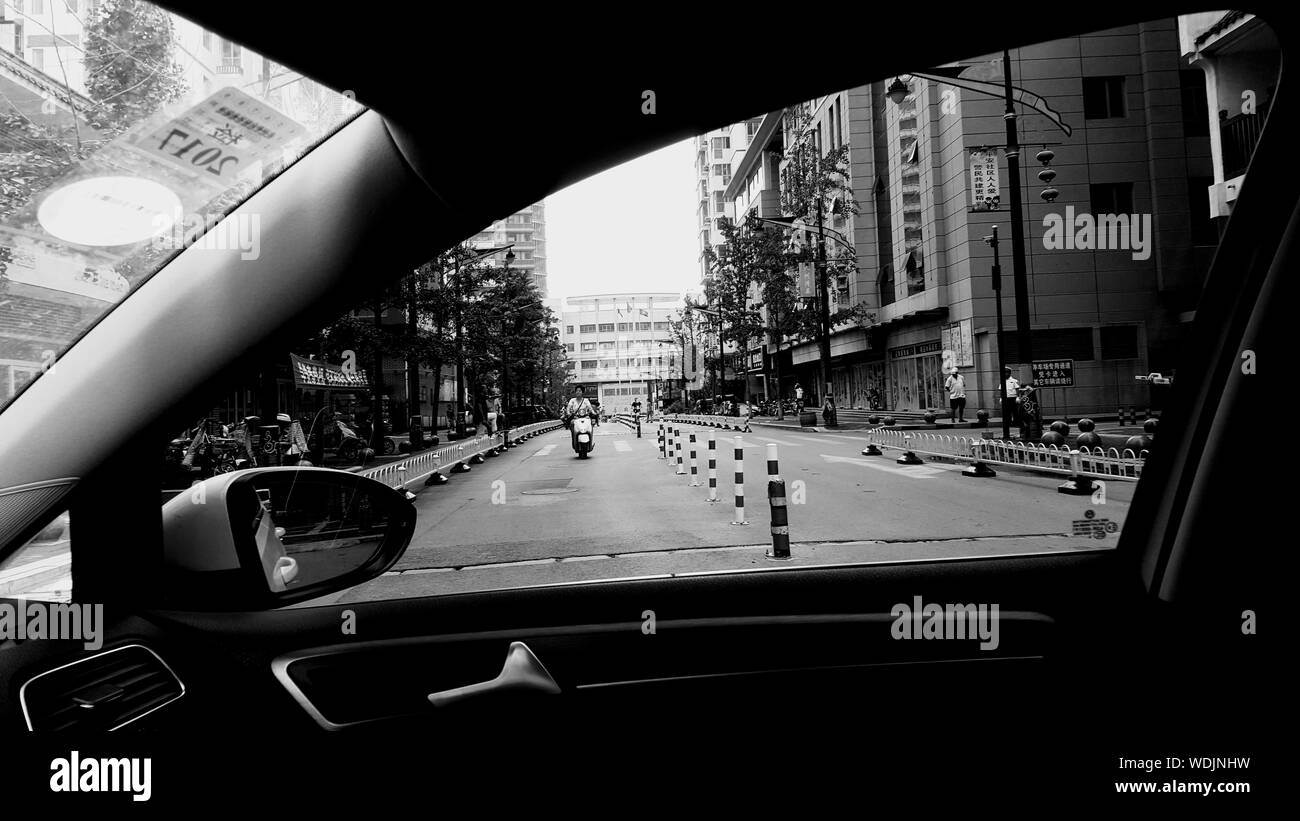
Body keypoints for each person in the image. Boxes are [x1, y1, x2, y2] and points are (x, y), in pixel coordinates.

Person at [563, 385, 596, 451]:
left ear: (582, 392)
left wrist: (593, 412)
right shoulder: (572, 400)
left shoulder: (586, 400)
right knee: (572, 423)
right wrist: (569, 413)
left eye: (580, 391)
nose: (578, 392)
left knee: (591, 424)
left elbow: (590, 408)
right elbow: (568, 408)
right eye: (577, 391)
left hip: (585, 417)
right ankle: (574, 441)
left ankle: (590, 442)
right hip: (575, 418)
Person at [1002, 366, 1020, 431]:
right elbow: (1001, 390)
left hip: (1013, 398)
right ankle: (1008, 423)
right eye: (1005, 372)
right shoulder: (1002, 381)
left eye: (1007, 372)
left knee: (1015, 411)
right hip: (1006, 398)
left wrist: (1017, 397)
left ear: (1010, 373)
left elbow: (1017, 389)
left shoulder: (1014, 381)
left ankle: (1016, 423)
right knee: (1007, 412)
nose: (1006, 374)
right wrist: (1001, 398)